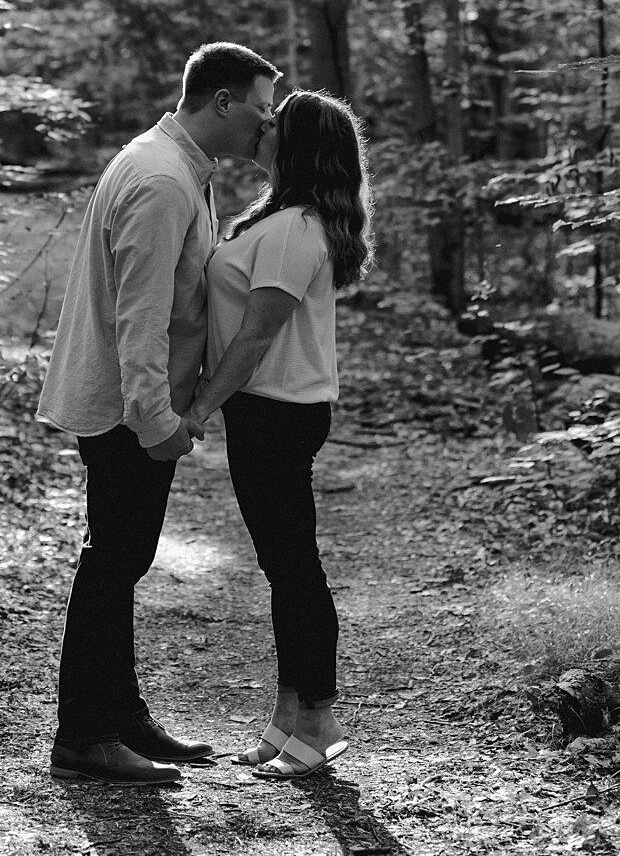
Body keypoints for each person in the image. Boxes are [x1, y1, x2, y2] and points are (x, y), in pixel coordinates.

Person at [39, 40, 283, 785]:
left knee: (124, 557)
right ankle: (83, 733)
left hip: (134, 403)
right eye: (262, 110)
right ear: (221, 102)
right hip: (124, 407)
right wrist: (157, 420)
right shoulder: (160, 180)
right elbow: (137, 319)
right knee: (113, 560)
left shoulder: (180, 169)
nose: (267, 128)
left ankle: (122, 713)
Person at [181, 88, 374, 780]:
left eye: (273, 125)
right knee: (282, 564)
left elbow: (258, 333)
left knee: (294, 567)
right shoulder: (280, 217)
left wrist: (198, 406)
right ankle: (288, 715)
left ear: (296, 146)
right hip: (268, 409)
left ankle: (320, 722)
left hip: (278, 409)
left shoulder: (296, 227)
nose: (260, 130)